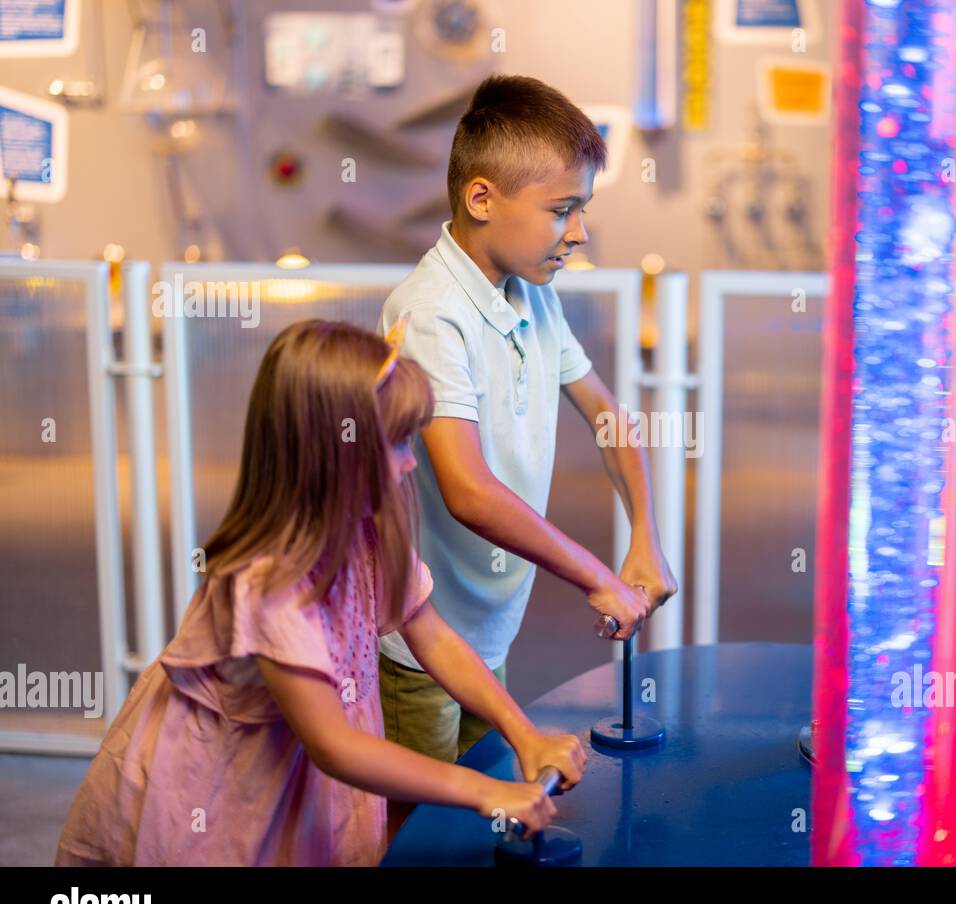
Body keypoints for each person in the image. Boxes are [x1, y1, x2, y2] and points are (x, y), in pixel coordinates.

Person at [54, 319, 584, 866]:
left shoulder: (369, 531)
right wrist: (484, 792)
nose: (410, 462)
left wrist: (524, 735)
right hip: (225, 792)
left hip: (307, 772)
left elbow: (433, 638)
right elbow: (335, 745)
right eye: (399, 441)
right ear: (334, 448)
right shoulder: (266, 583)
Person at [376, 74, 677, 837]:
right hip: (420, 640)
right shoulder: (430, 312)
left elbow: (606, 413)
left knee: (485, 821)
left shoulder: (530, 290)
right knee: (416, 838)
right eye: (561, 211)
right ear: (483, 200)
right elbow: (468, 490)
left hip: (487, 631)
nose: (578, 234)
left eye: (582, 209)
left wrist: (644, 533)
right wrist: (597, 577)